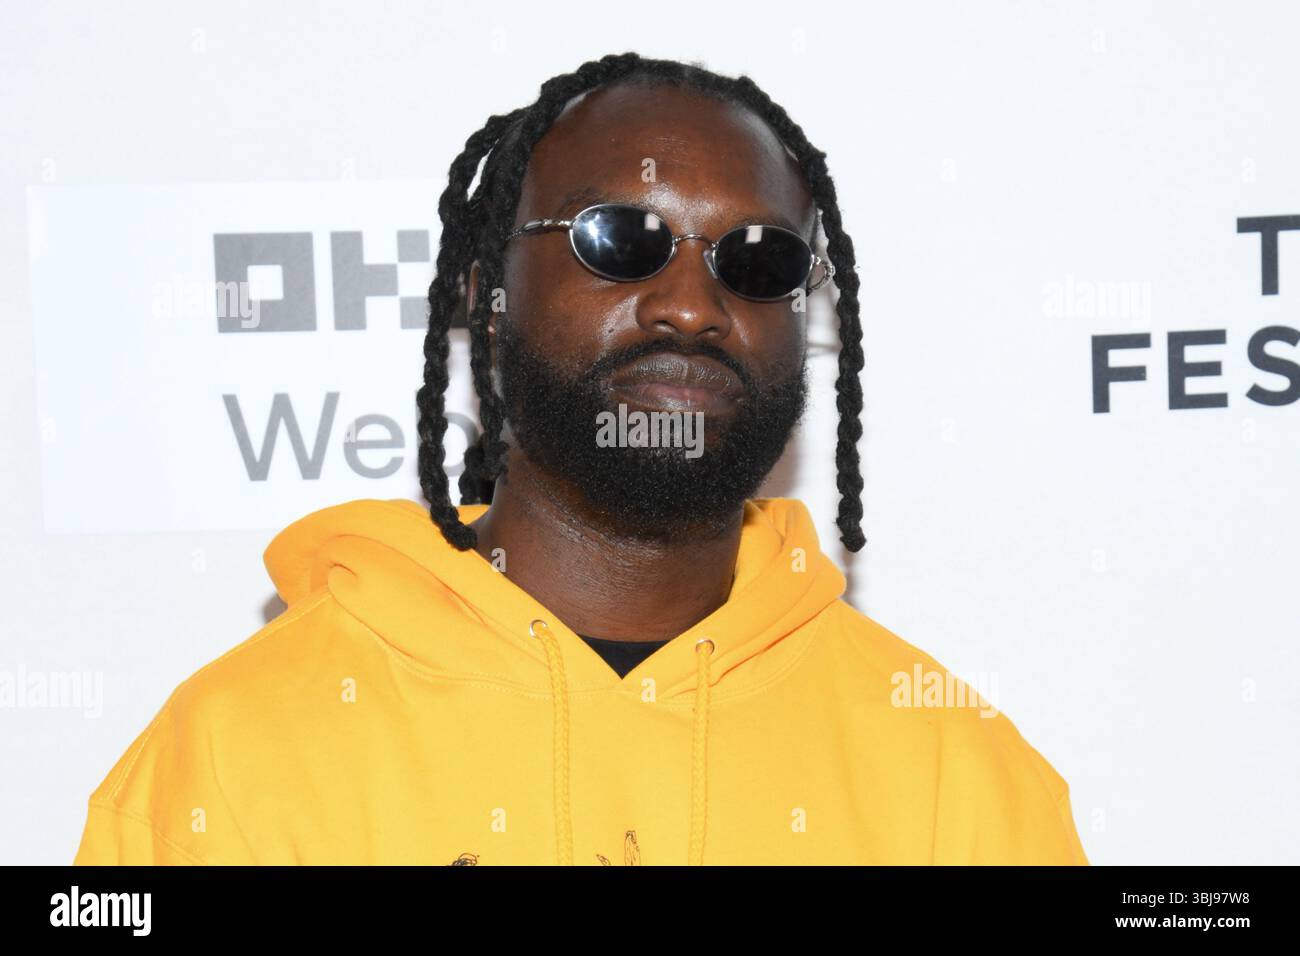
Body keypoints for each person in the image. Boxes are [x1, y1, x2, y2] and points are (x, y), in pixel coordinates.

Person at [73, 52, 1089, 865]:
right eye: (620, 238)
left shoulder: (955, 779)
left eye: (757, 259)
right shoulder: (240, 755)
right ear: (484, 290)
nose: (692, 304)